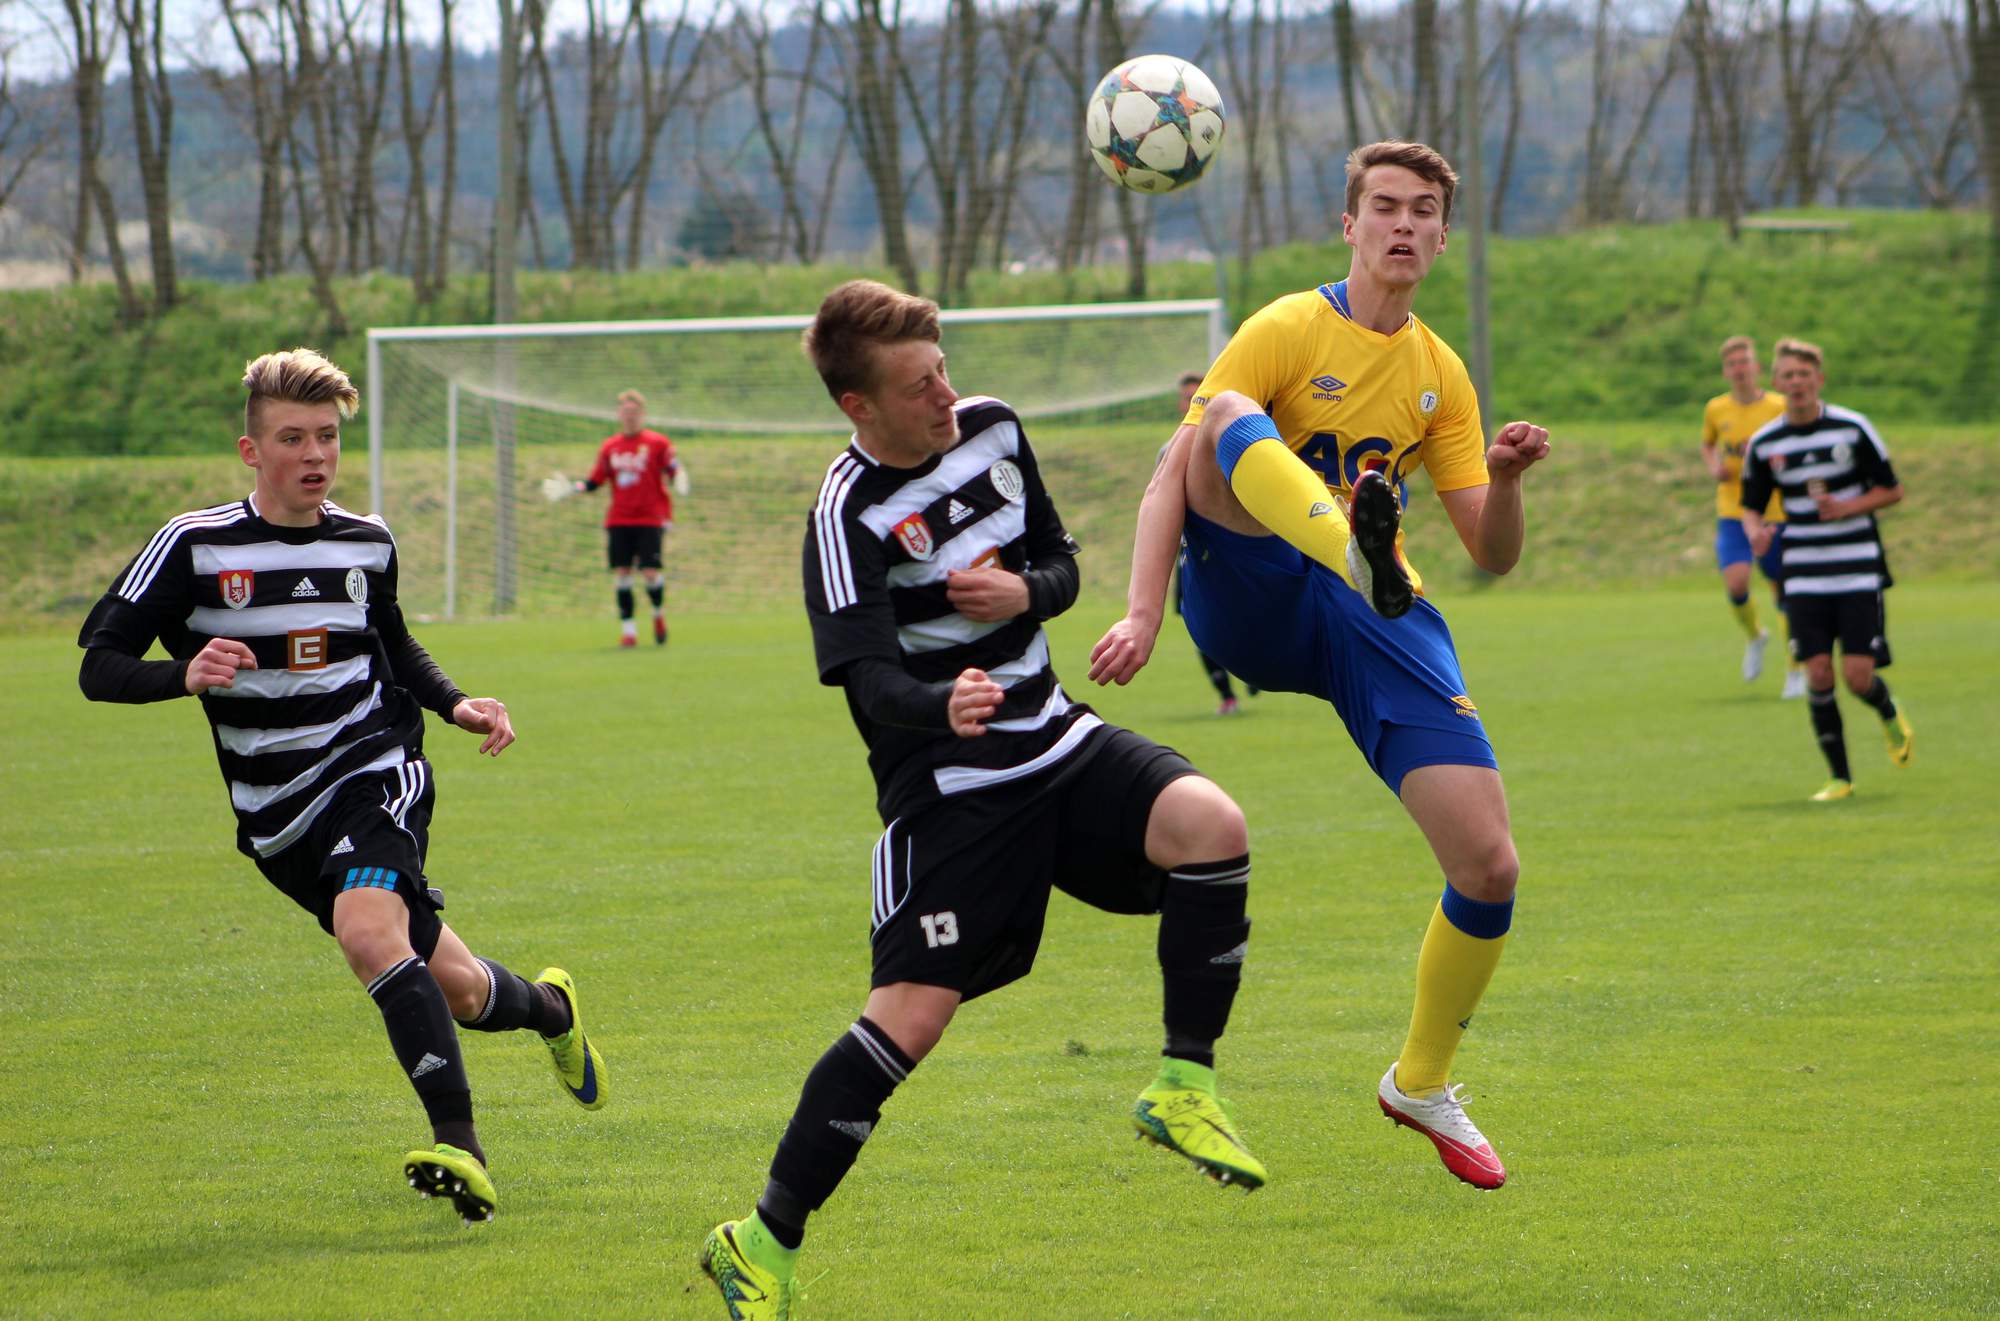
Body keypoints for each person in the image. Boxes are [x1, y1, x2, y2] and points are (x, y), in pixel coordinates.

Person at [699, 282, 1265, 1319]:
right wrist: (937, 700)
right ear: (857, 407)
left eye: (944, 367)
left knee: (1210, 826)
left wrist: (1025, 594)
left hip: (1057, 738)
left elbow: (1059, 561)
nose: (946, 396)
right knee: (907, 1021)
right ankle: (760, 1240)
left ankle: (1184, 1085)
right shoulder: (846, 513)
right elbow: (864, 680)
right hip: (952, 788)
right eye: (919, 386)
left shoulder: (993, 428)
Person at [1091, 140, 1552, 1191]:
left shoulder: (1440, 374)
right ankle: (1356, 545)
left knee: (1488, 864)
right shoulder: (1285, 327)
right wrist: (1141, 609)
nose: (1401, 224)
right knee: (1217, 417)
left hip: (1373, 612)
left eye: (1421, 210)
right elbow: (1176, 466)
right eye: (1382, 206)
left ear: (1440, 233)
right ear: (1348, 226)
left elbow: (1489, 550)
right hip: (1253, 583)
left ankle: (1419, 1082)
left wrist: (1510, 479)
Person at [77, 348, 607, 1225]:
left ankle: (461, 1148)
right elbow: (100, 662)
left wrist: (454, 702)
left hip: (373, 768)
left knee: (368, 933)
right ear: (252, 451)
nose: (315, 454)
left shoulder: (367, 539)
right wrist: (183, 674)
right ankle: (552, 1009)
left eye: (326, 436)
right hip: (276, 820)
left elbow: (390, 644)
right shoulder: (195, 546)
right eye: (293, 437)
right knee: (463, 988)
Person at [1740, 338, 1913, 801]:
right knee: (1818, 673)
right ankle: (1840, 778)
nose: (1796, 383)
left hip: (1857, 569)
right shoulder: (1765, 443)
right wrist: (1755, 531)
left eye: (1804, 375)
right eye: (1788, 376)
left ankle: (1889, 711)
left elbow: (1892, 490)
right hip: (1803, 573)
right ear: (1776, 383)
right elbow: (1750, 507)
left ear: (1819, 379)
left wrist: (1847, 506)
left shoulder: (1853, 429)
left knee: (1858, 676)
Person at [1701, 335, 1804, 698]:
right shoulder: (1717, 409)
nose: (1739, 369)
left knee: (1784, 591)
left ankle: (1795, 669)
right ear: (1726, 371)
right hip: (1732, 511)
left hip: (1774, 513)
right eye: (1732, 364)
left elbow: (1794, 445)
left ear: (1757, 368)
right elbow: (1708, 444)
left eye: (1745, 362)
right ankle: (1756, 636)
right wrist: (1714, 466)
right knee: (1736, 584)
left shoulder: (1778, 407)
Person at [1165, 370, 1255, 715]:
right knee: (1200, 624)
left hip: (1233, 553)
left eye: (1196, 397)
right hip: (1193, 555)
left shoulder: (1235, 445)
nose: (1190, 404)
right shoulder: (1169, 451)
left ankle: (1254, 666)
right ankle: (1227, 696)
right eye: (1185, 398)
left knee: (1246, 619)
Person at [573, 389, 686, 647]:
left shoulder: (658, 443)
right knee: (622, 574)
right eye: (625, 412)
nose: (630, 417)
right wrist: (575, 488)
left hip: (650, 518)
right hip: (619, 519)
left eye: (634, 412)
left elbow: (673, 468)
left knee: (650, 573)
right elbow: (596, 480)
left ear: (642, 414)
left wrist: (679, 477)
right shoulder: (610, 446)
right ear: (619, 415)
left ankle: (657, 614)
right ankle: (629, 631)